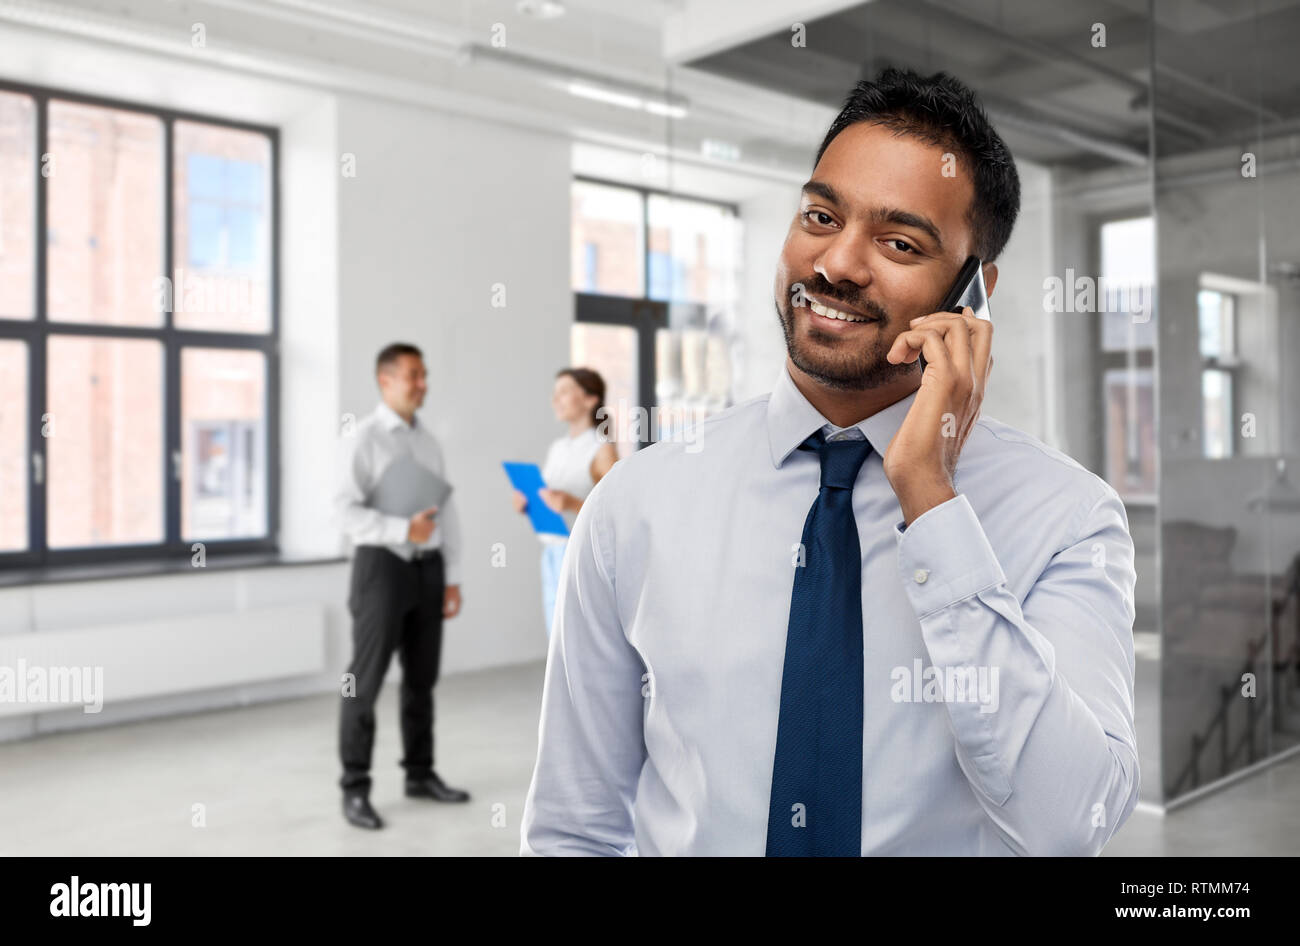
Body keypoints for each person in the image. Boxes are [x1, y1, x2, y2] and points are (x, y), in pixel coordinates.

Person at [521, 68, 1139, 856]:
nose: (838, 263)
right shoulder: (637, 504)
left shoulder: (1067, 517)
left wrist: (932, 499)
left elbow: (1071, 821)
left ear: (973, 294)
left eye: (899, 242)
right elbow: (577, 826)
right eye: (820, 215)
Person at [335, 342, 470, 831]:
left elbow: (446, 509)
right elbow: (343, 512)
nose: (422, 384)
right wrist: (399, 531)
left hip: (427, 569)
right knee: (363, 684)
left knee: (421, 680)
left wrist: (451, 576)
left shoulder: (428, 441)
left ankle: (419, 773)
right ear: (384, 379)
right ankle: (355, 789)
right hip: (382, 568)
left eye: (424, 375)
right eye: (413, 375)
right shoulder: (363, 438)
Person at [511, 368, 618, 638]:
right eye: (554, 393)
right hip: (551, 552)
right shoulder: (557, 448)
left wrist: (571, 503)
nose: (555, 400)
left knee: (578, 638)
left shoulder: (602, 448)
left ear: (590, 399)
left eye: (564, 392)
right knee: (556, 637)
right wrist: (528, 504)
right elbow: (550, 501)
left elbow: (616, 514)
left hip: (579, 555)